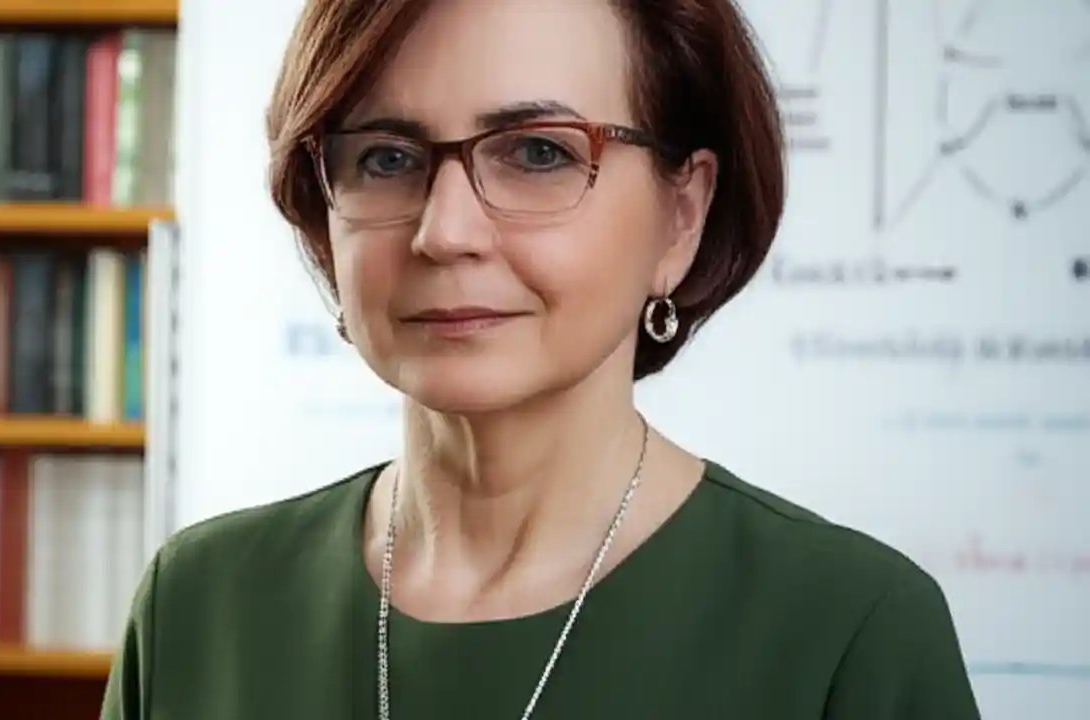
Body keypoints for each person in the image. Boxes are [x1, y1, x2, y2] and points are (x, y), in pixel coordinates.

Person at [101, 0, 982, 717]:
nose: (445, 232)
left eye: (538, 153)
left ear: (683, 216)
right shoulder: (197, 607)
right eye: (386, 157)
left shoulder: (849, 632)